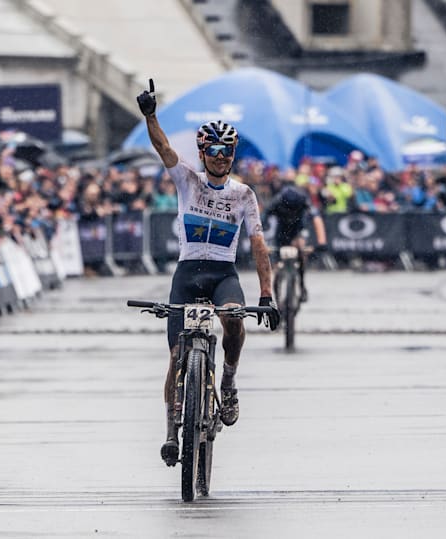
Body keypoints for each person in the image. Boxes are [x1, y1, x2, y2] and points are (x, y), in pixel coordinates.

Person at [136, 79, 280, 466]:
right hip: (187, 274)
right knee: (174, 356)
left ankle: (229, 382)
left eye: (227, 150)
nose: (220, 156)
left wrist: (266, 295)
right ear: (203, 152)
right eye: (214, 150)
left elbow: (259, 246)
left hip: (221, 274)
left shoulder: (243, 194)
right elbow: (163, 147)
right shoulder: (188, 180)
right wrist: (151, 116)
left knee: (234, 321)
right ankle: (171, 432)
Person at [263, 177, 326, 302]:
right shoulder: (277, 201)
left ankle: (301, 285)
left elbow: (316, 219)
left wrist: (322, 242)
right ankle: (277, 295)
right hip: (281, 232)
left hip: (298, 229)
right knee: (275, 264)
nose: (291, 211)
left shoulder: (303, 199)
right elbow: (262, 219)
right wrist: (261, 242)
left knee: (300, 250)